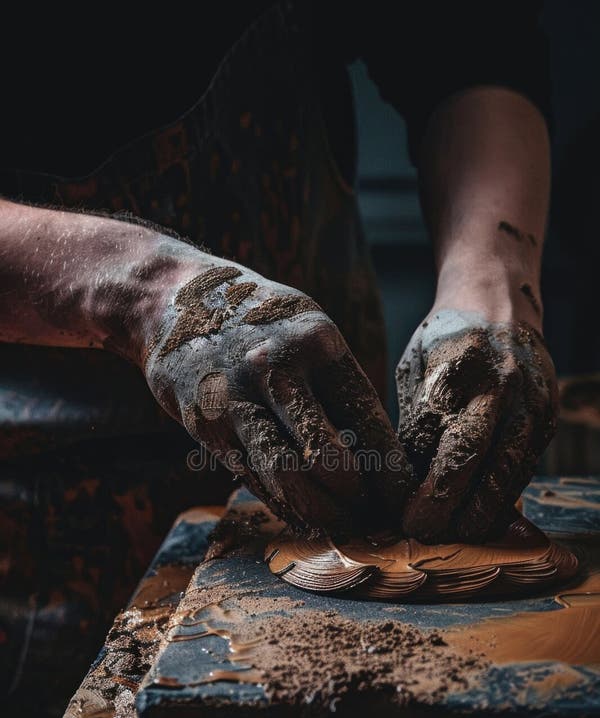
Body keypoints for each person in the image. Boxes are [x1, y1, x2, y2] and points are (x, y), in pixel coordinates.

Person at [0, 0, 557, 543]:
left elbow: (477, 43)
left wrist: (492, 284)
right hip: (44, 493)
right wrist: (149, 292)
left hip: (330, 445)